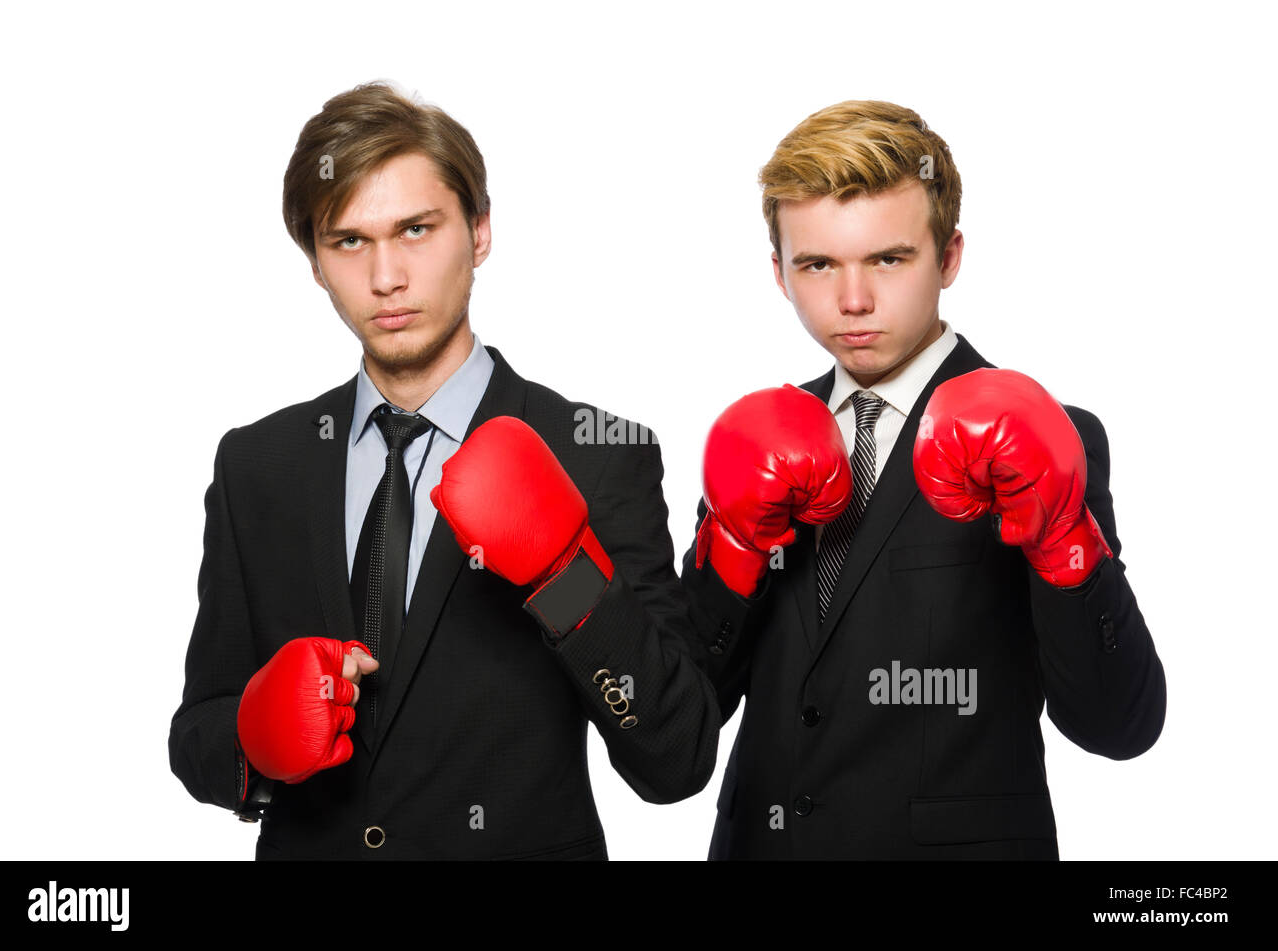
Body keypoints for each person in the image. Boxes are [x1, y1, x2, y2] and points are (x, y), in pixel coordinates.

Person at [168, 81, 720, 860]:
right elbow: (197, 730)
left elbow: (677, 755)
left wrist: (567, 581)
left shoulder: (596, 451)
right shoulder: (259, 465)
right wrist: (252, 743)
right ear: (315, 262)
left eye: (417, 230)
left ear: (480, 230)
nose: (387, 277)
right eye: (349, 241)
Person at [680, 100, 1166, 859]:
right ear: (778, 272)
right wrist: (731, 547)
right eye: (817, 264)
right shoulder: (754, 441)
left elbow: (1121, 723)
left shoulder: (1051, 435)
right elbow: (684, 718)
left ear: (950, 256)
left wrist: (1066, 540)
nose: (852, 301)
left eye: (888, 259)